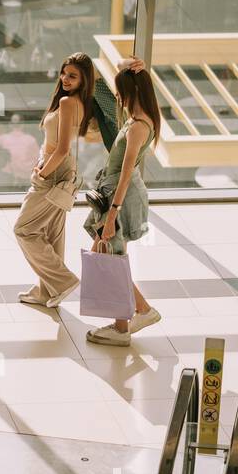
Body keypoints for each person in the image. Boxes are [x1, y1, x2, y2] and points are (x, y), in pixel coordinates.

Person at [82, 57, 163, 346]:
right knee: (108, 255)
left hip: (122, 196)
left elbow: (127, 174)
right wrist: (129, 65)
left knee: (111, 257)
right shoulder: (138, 117)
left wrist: (113, 213)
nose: (117, 96)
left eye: (120, 91)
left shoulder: (138, 126)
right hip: (118, 192)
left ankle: (141, 312)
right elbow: (107, 66)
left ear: (133, 92)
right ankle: (122, 324)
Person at [14, 53, 94, 308]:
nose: (65, 79)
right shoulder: (80, 101)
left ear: (84, 79)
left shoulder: (69, 102)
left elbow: (61, 148)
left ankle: (62, 282)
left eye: (73, 75)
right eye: (64, 73)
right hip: (62, 169)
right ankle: (46, 291)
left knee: (24, 230)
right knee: (51, 232)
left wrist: (42, 173)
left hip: (54, 171)